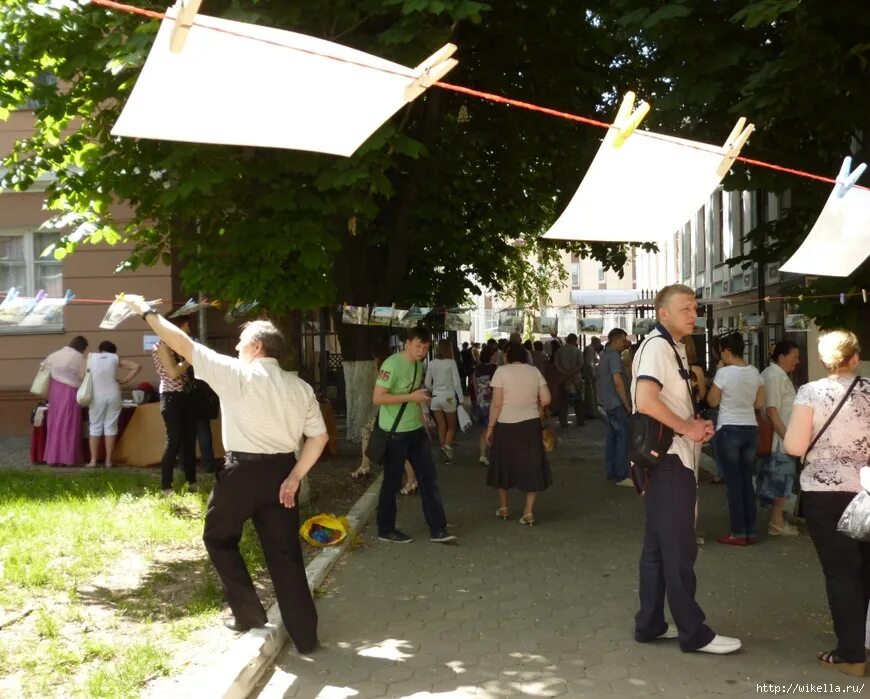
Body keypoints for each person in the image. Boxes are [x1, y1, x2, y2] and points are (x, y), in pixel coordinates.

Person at [123, 296, 328, 652]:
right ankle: (306, 638)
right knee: (287, 557)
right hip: (282, 474)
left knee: (218, 537)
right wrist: (295, 477)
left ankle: (249, 614)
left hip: (242, 473)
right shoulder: (300, 387)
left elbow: (181, 343)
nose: (235, 347)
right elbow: (320, 437)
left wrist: (146, 311)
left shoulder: (235, 373)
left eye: (240, 342)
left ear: (257, 346)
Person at [632, 284, 740, 655]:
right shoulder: (659, 347)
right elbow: (645, 401)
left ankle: (650, 624)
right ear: (663, 314)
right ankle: (693, 633)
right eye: (685, 309)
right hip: (669, 461)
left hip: (669, 459)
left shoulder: (669, 346)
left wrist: (692, 424)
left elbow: (662, 401)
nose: (693, 315)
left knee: (658, 549)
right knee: (678, 550)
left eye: (695, 308)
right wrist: (688, 428)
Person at [784, 329, 870, 677]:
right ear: (855, 358)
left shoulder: (811, 392)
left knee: (841, 572)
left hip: (825, 494)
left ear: (822, 361)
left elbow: (793, 446)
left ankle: (851, 654)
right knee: (865, 569)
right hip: (867, 491)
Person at [374, 326, 456, 544]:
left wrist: (424, 423)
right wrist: (411, 397)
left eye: (426, 347)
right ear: (407, 342)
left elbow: (417, 396)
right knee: (391, 482)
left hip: (415, 431)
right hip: (394, 432)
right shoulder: (392, 364)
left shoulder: (419, 366)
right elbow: (378, 398)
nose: (421, 351)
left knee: (429, 479)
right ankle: (385, 528)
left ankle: (438, 528)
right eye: (418, 346)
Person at [706, 332, 764, 546]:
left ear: (727, 351)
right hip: (751, 428)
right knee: (747, 482)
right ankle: (751, 530)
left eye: (721, 352)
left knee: (733, 484)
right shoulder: (755, 372)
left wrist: (718, 376)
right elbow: (759, 404)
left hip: (729, 428)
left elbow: (712, 401)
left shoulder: (724, 373)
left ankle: (738, 533)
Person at [486, 341, 552, 525]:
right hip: (530, 425)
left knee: (503, 464)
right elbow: (546, 399)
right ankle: (528, 511)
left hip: (506, 424)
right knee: (532, 465)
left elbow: (497, 403)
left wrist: (490, 427)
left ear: (507, 354)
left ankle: (504, 508)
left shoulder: (502, 372)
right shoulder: (534, 371)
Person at [758, 340, 801, 536]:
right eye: (795, 357)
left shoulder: (776, 375)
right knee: (780, 479)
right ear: (782, 357)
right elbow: (772, 410)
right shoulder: (775, 376)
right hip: (779, 439)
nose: (797, 361)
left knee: (779, 478)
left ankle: (777, 519)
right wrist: (787, 437)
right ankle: (777, 521)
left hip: (780, 437)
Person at [153, 318, 197, 495]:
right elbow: (173, 372)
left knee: (189, 441)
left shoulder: (181, 347)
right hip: (171, 398)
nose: (187, 331)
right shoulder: (161, 346)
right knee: (174, 442)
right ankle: (166, 486)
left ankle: (192, 482)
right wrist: (189, 358)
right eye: (184, 327)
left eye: (188, 327)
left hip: (187, 396)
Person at [86, 341, 141, 468]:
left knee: (95, 427)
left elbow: (82, 374)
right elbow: (137, 366)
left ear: (100, 350)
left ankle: (93, 461)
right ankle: (108, 461)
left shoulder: (91, 358)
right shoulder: (115, 358)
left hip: (96, 395)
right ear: (114, 351)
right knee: (110, 426)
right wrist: (125, 380)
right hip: (114, 394)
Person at [43, 336, 88, 466]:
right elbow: (83, 375)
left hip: (55, 390)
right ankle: (68, 457)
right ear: (82, 347)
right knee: (69, 424)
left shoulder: (54, 355)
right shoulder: (78, 358)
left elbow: (45, 367)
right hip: (71, 391)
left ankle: (53, 457)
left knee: (55, 423)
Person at [596, 328, 632, 486]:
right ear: (616, 340)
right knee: (623, 438)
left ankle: (612, 471)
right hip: (616, 402)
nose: (625, 343)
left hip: (607, 402)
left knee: (612, 438)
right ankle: (622, 474)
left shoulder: (604, 356)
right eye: (623, 340)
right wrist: (626, 403)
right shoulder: (614, 357)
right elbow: (617, 382)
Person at [425, 339, 464, 463]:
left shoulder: (431, 363)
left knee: (441, 426)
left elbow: (427, 383)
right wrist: (461, 398)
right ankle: (447, 448)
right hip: (449, 397)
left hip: (436, 397)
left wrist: (434, 390)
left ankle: (443, 449)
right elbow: (457, 383)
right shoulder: (451, 363)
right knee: (451, 427)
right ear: (449, 349)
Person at [472, 345, 498, 466]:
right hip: (492, 400)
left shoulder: (477, 368)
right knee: (493, 428)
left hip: (480, 400)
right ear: (491, 356)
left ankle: (482, 454)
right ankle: (492, 454)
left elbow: (475, 386)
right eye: (495, 354)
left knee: (484, 429)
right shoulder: (496, 369)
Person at [554, 333, 584, 427]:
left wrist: (565, 373)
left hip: (563, 378)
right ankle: (580, 421)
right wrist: (572, 372)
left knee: (563, 402)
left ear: (567, 340)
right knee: (578, 401)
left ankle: (563, 422)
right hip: (576, 378)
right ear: (575, 340)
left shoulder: (559, 351)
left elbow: (556, 364)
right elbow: (581, 364)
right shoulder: (578, 351)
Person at [582, 336, 602, 419]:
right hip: (589, 375)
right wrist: (592, 375)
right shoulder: (590, 349)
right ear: (595, 342)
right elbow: (589, 364)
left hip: (588, 374)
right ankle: (592, 412)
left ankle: (591, 411)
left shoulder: (590, 349)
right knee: (591, 394)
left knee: (591, 394)